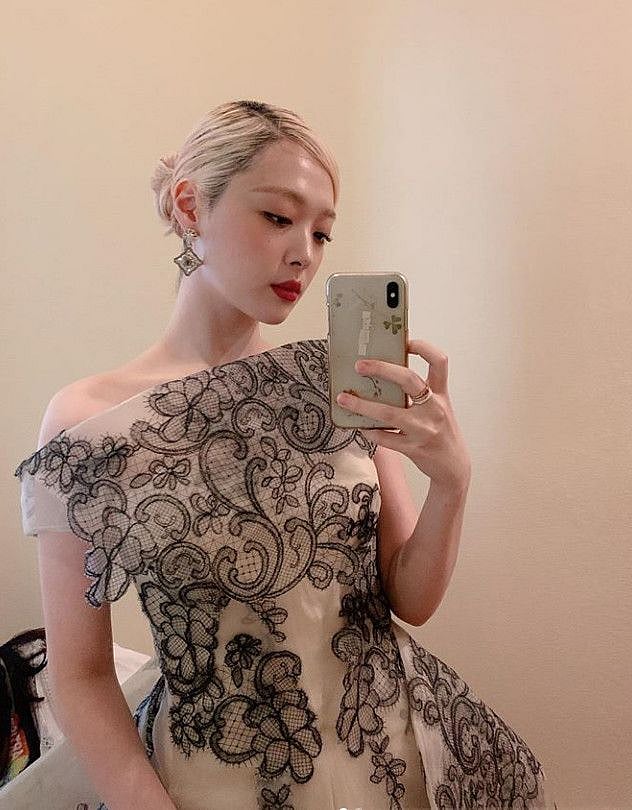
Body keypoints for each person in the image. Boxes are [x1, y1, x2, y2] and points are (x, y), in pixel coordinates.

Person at [13, 99, 555, 810]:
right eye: (278, 217)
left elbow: (410, 598)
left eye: (322, 232)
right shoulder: (89, 423)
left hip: (391, 759)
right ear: (190, 206)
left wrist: (453, 481)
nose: (305, 252)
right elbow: (79, 674)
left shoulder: (338, 387)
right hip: (212, 779)